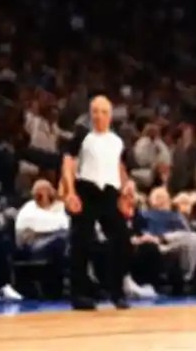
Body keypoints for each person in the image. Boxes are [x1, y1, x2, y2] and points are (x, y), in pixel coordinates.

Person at [62, 95, 131, 310]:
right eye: (95, 111)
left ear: (110, 115)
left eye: (103, 111)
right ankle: (80, 294)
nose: (98, 115)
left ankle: (117, 292)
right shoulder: (82, 136)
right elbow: (68, 163)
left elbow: (119, 167)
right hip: (87, 189)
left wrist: (125, 192)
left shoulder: (117, 141)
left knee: (121, 239)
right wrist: (70, 192)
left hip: (110, 192)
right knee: (81, 242)